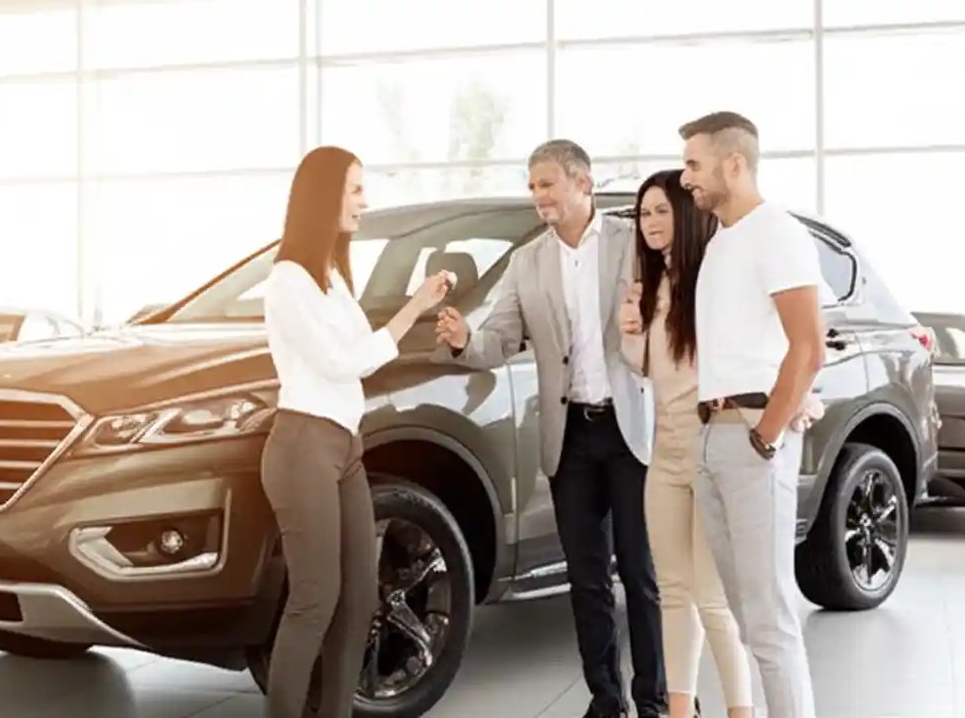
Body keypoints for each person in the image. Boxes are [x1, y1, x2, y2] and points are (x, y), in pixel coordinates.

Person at [433, 139, 666, 718]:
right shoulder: (527, 261)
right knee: (585, 580)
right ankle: (605, 700)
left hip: (631, 429)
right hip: (571, 439)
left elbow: (670, 316)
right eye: (532, 186)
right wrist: (466, 341)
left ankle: (656, 700)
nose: (538, 196)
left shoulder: (630, 241)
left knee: (639, 574)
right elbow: (500, 338)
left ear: (581, 183)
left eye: (547, 184)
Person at [260, 145, 452, 718]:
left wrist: (415, 307)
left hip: (344, 447)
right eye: (355, 189)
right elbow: (345, 362)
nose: (364, 202)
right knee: (314, 601)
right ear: (325, 196)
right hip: (302, 447)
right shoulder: (288, 280)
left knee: (359, 597)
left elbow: (360, 347)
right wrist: (414, 307)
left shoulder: (333, 277)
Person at [678, 110, 825, 718]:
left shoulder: (776, 232)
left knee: (769, 620)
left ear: (733, 164)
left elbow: (809, 344)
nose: (686, 177)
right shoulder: (720, 240)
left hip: (751, 439)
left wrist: (767, 435)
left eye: (694, 163)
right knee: (746, 613)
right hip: (712, 437)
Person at [617, 169, 754, 718]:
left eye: (661, 211)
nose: (650, 223)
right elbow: (649, 370)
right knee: (672, 593)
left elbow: (742, 357)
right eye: (643, 213)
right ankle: (679, 711)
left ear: (686, 213)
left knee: (712, 599)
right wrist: (630, 332)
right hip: (666, 453)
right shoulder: (651, 285)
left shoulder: (713, 280)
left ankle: (741, 711)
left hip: (712, 450)